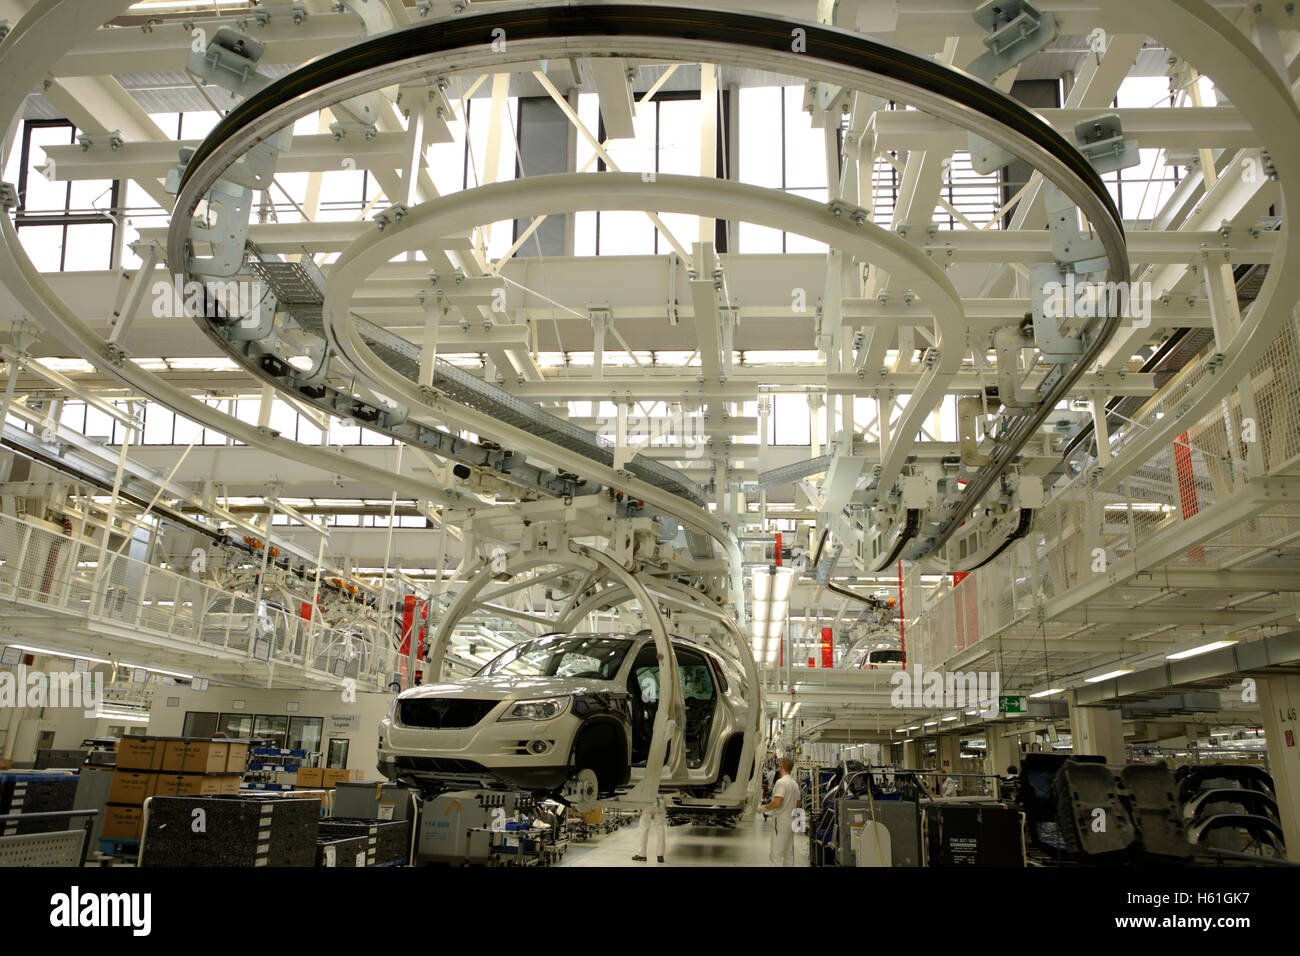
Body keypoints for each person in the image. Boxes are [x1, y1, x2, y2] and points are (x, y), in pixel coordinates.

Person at [761, 756, 799, 866]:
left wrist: (764, 808)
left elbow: (778, 802)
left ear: (781, 766)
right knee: (788, 854)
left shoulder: (781, 783)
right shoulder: (795, 784)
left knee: (776, 854)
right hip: (791, 821)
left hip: (781, 821)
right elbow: (797, 805)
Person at [632, 796, 666, 863]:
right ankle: (660, 855)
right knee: (660, 829)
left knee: (644, 828)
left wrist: (639, 808)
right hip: (660, 802)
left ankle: (642, 855)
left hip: (648, 801)